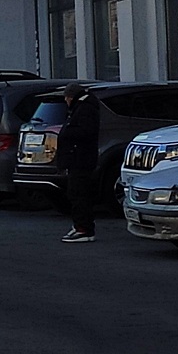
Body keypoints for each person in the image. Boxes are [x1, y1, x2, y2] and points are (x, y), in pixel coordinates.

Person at [56, 82, 101, 244]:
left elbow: (86, 131)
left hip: (80, 158)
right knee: (75, 193)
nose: (66, 101)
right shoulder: (82, 107)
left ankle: (84, 229)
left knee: (79, 194)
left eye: (67, 98)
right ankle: (80, 225)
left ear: (72, 96)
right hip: (77, 158)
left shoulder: (85, 109)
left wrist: (67, 132)